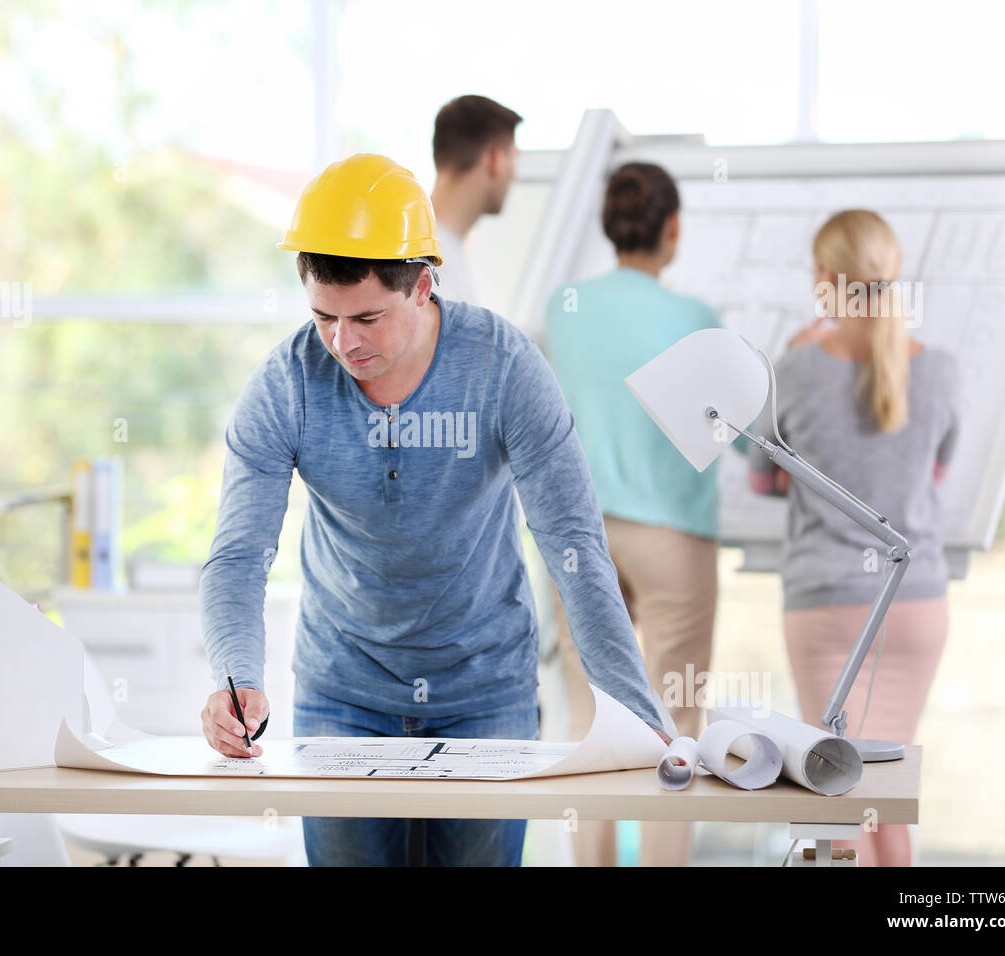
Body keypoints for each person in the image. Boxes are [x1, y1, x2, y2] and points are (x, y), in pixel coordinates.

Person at [198, 153, 676, 867]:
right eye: (324, 316)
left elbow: (572, 545)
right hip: (342, 689)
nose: (343, 343)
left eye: (365, 317)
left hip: (486, 686)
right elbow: (239, 554)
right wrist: (236, 676)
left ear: (423, 284)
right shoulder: (286, 383)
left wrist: (637, 713)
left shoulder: (504, 366)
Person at [746, 209, 961, 867]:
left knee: (836, 795)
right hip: (916, 605)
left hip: (827, 605)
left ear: (826, 280)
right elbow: (935, 472)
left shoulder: (796, 368)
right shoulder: (943, 369)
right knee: (886, 794)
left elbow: (761, 478)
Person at [542, 162, 721, 867]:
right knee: (676, 719)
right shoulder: (696, 318)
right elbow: (725, 428)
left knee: (592, 717)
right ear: (671, 229)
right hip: (672, 533)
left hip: (580, 533)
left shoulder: (565, 306)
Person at [429, 95, 522, 304]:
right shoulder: (434, 265)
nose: (514, 174)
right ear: (495, 159)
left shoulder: (436, 248)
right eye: (513, 158)